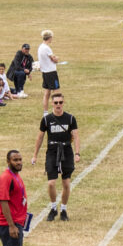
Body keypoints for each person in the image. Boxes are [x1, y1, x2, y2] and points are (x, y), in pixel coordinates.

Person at [35, 94, 79, 222]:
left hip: (66, 150)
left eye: (60, 102)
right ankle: (53, 207)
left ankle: (63, 209)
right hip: (52, 151)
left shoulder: (70, 118)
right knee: (51, 183)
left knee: (66, 183)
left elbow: (76, 136)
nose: (58, 105)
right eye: (56, 102)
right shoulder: (46, 119)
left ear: (63, 103)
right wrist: (35, 155)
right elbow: (40, 137)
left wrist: (77, 153)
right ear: (52, 103)